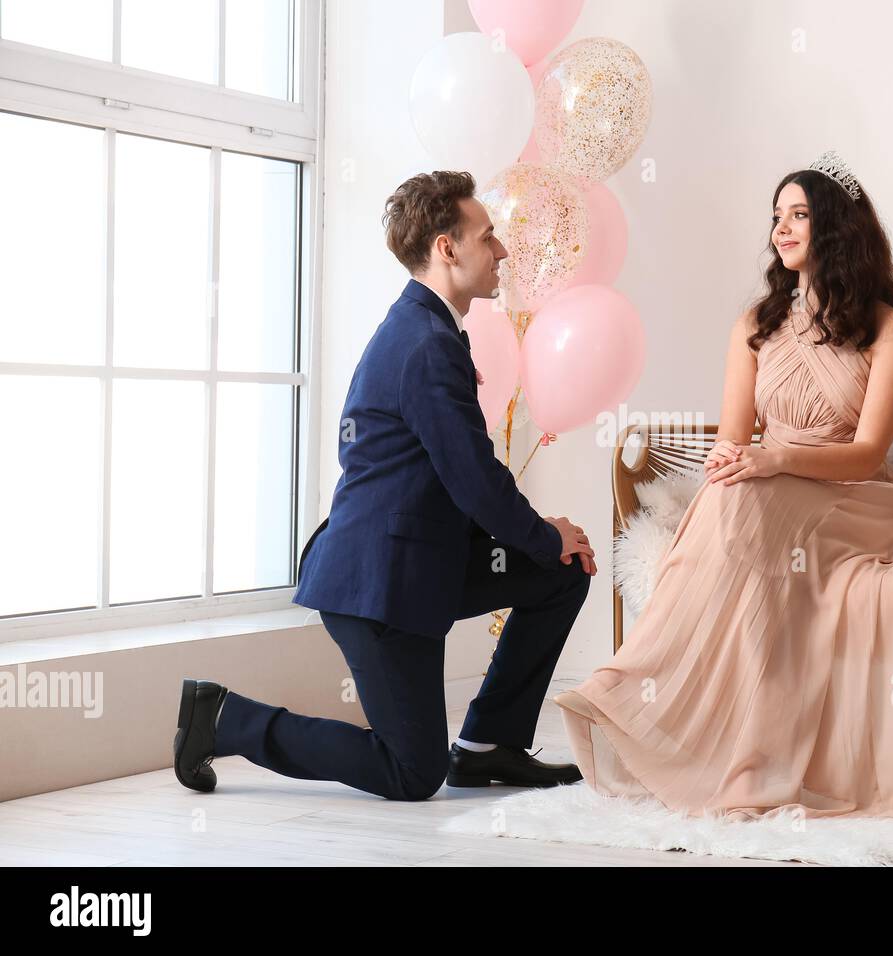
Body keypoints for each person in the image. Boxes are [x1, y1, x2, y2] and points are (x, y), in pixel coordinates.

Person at [173, 171, 597, 801]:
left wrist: (545, 545)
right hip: (380, 583)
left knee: (562, 572)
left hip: (429, 560)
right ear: (447, 248)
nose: (502, 250)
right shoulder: (425, 343)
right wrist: (543, 534)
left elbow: (467, 475)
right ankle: (226, 718)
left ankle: (489, 746)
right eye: (489, 236)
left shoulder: (427, 328)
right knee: (413, 774)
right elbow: (476, 481)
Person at [554, 150, 893, 822]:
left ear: (837, 226)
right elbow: (733, 439)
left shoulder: (887, 327)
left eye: (800, 215)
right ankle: (663, 703)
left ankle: (639, 690)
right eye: (777, 216)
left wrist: (776, 458)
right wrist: (743, 463)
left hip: (856, 496)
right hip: (772, 489)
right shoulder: (757, 324)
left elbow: (868, 452)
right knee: (730, 492)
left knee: (748, 493)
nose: (782, 229)